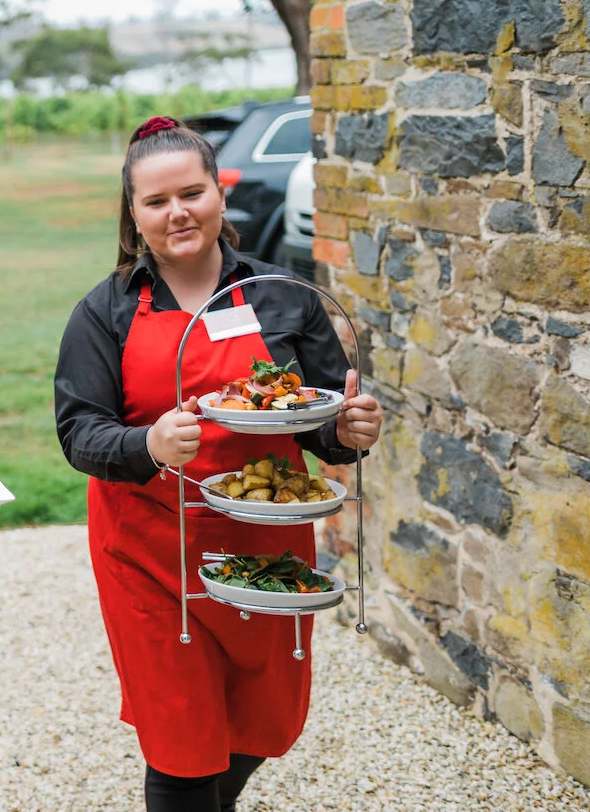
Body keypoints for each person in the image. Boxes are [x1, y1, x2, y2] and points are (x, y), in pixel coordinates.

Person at [53, 116, 384, 812]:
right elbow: (79, 432)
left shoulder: (284, 297)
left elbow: (324, 427)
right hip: (150, 552)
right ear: (134, 213)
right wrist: (146, 445)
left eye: (192, 192)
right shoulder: (104, 312)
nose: (178, 212)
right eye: (156, 201)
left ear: (219, 194)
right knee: (179, 741)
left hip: (267, 540)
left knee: (263, 724)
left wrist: (351, 432)